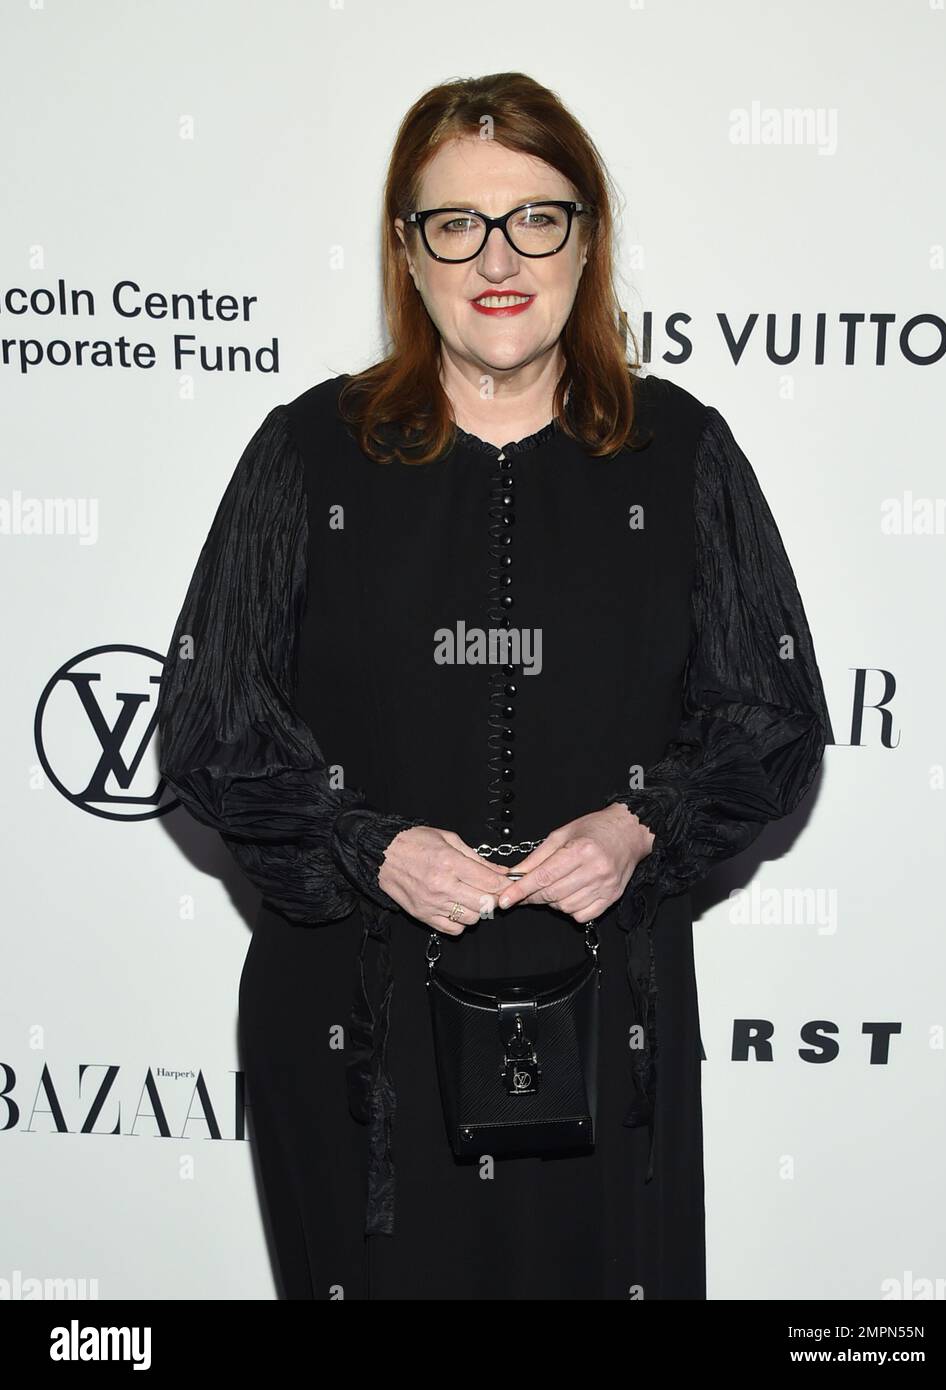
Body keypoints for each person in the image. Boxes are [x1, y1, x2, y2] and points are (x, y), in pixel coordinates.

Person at [157, 72, 830, 1301]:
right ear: (407, 254)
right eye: (456, 223)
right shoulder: (306, 454)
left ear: (588, 238)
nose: (499, 256)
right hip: (359, 1027)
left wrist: (642, 826)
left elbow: (771, 718)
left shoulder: (682, 453)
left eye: (538, 216)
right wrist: (369, 844)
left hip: (604, 1014)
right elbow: (212, 729)